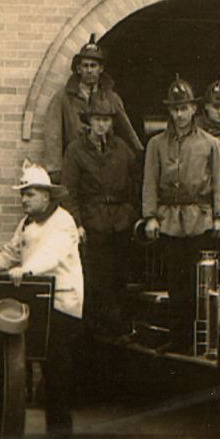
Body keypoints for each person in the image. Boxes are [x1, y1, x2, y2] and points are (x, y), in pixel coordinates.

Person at [0, 164, 84, 439]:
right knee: (23, 361)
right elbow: (9, 253)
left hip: (62, 303)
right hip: (37, 299)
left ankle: (60, 436)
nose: (24, 199)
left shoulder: (63, 222)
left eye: (30, 194)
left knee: (56, 371)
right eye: (23, 194)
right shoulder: (27, 223)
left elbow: (51, 255)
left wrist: (26, 271)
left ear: (46, 197)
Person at [140, 78, 220, 349]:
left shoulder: (211, 144)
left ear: (194, 109)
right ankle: (178, 340)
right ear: (170, 111)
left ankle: (198, 341)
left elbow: (219, 182)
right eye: (175, 109)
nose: (179, 114)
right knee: (176, 285)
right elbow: (149, 182)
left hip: (199, 220)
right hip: (168, 220)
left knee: (199, 285)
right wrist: (151, 216)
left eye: (184, 108)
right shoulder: (156, 144)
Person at [64, 98, 139, 341]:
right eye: (97, 120)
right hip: (92, 222)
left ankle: (120, 332)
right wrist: (77, 223)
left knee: (121, 277)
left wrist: (129, 212)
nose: (101, 125)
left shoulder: (122, 149)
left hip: (120, 221)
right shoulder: (76, 150)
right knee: (97, 280)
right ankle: (99, 336)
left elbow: (135, 183)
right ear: (88, 122)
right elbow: (69, 190)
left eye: (106, 120)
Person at [40, 38, 143, 179]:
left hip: (105, 169)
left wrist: (138, 159)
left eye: (93, 66)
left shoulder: (111, 98)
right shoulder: (63, 98)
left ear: (101, 69)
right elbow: (53, 137)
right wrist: (55, 171)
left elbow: (127, 132)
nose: (89, 70)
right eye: (85, 66)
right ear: (78, 69)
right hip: (75, 167)